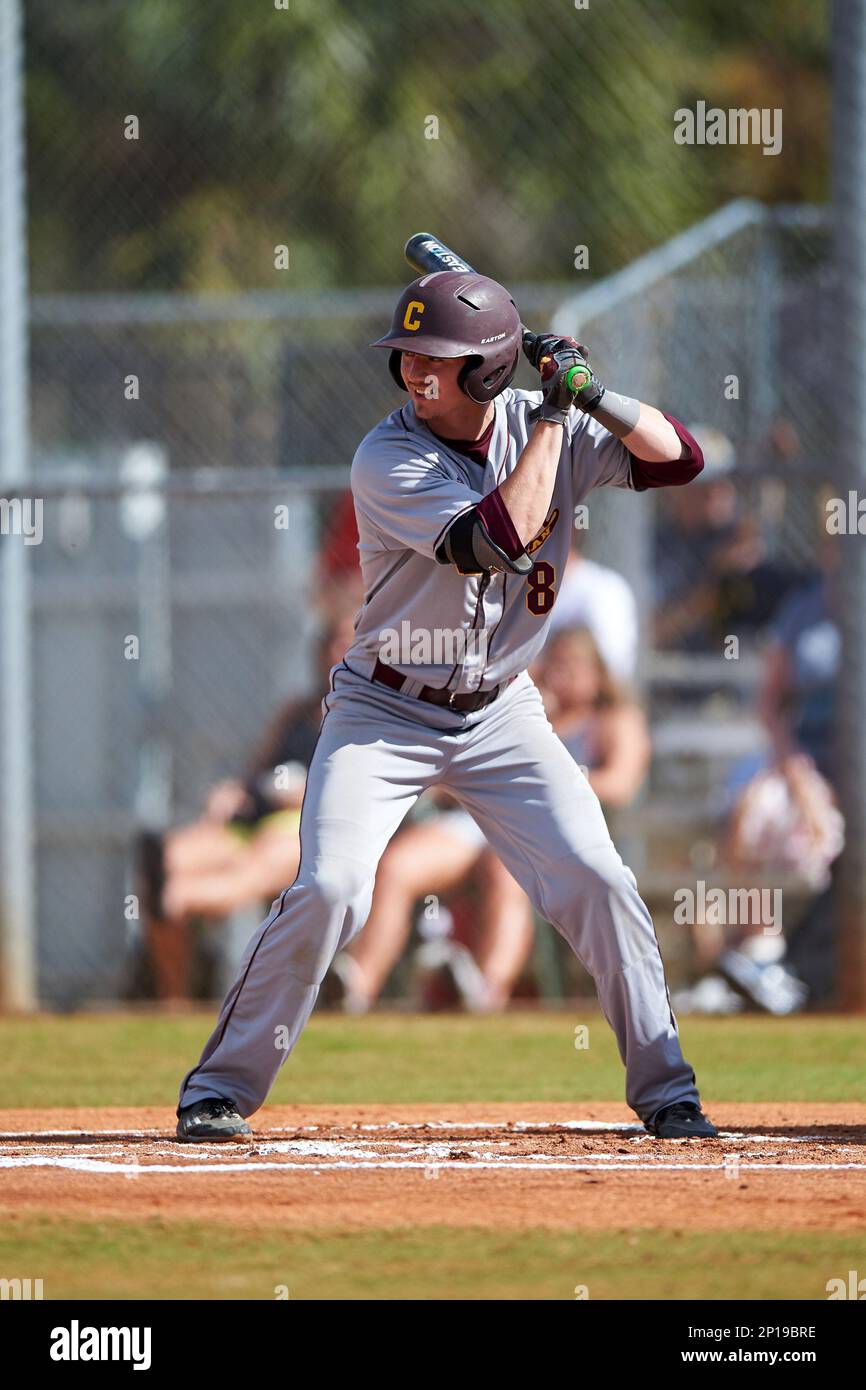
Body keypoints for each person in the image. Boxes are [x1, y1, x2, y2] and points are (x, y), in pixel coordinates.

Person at [174, 268, 718, 1142]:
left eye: (441, 361)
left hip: (503, 710)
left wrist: (594, 393)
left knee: (597, 878)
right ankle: (220, 1086)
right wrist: (551, 414)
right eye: (409, 359)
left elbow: (682, 458)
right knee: (332, 887)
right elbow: (494, 542)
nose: (418, 375)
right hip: (384, 711)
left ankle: (668, 1090)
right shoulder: (388, 454)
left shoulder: (553, 428)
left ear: (490, 371)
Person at [337, 625, 650, 1012]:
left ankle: (485, 991)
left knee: (505, 870)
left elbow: (620, 784)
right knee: (398, 866)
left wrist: (553, 782)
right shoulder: (521, 710)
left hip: (545, 829)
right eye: (555, 663)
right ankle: (357, 987)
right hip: (478, 821)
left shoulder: (612, 720)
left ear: (598, 673)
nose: (560, 673)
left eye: (574, 665)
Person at [139, 616, 355, 1003]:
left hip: (303, 829)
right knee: (166, 857)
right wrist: (233, 791)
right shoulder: (296, 712)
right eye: (332, 642)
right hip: (254, 819)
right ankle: (172, 998)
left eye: (348, 643)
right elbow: (258, 768)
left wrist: (305, 793)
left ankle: (179, 898)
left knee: (243, 872)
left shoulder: (366, 718)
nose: (338, 652)